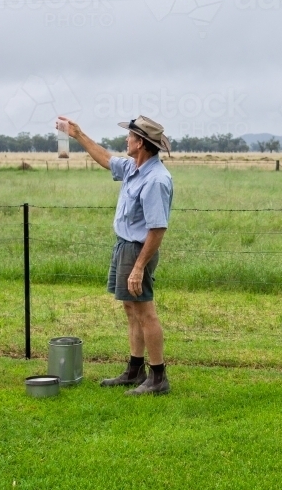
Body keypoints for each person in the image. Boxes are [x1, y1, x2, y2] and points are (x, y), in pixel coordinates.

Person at [56, 114, 173, 396]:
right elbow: (106, 158)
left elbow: (157, 230)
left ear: (142, 143)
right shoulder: (135, 167)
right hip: (125, 246)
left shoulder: (156, 180)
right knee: (131, 308)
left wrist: (138, 267)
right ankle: (135, 370)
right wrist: (78, 134)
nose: (126, 139)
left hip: (138, 250)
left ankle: (158, 378)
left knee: (145, 311)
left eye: (131, 136)